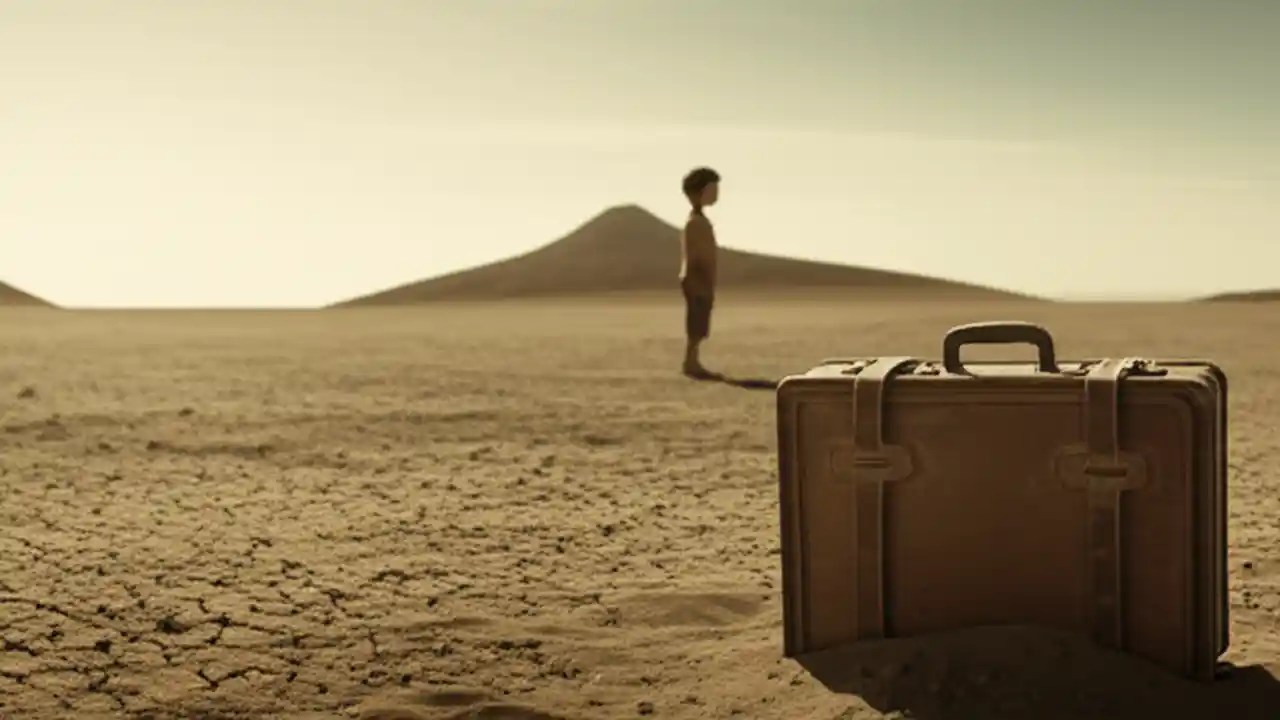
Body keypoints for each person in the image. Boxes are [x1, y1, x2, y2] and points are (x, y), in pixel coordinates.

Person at [679, 167, 720, 378]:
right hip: (697, 277)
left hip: (701, 277)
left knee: (701, 321)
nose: (716, 194)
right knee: (696, 322)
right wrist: (698, 279)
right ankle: (690, 361)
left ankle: (693, 360)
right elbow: (694, 254)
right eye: (711, 189)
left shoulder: (700, 220)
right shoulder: (695, 222)